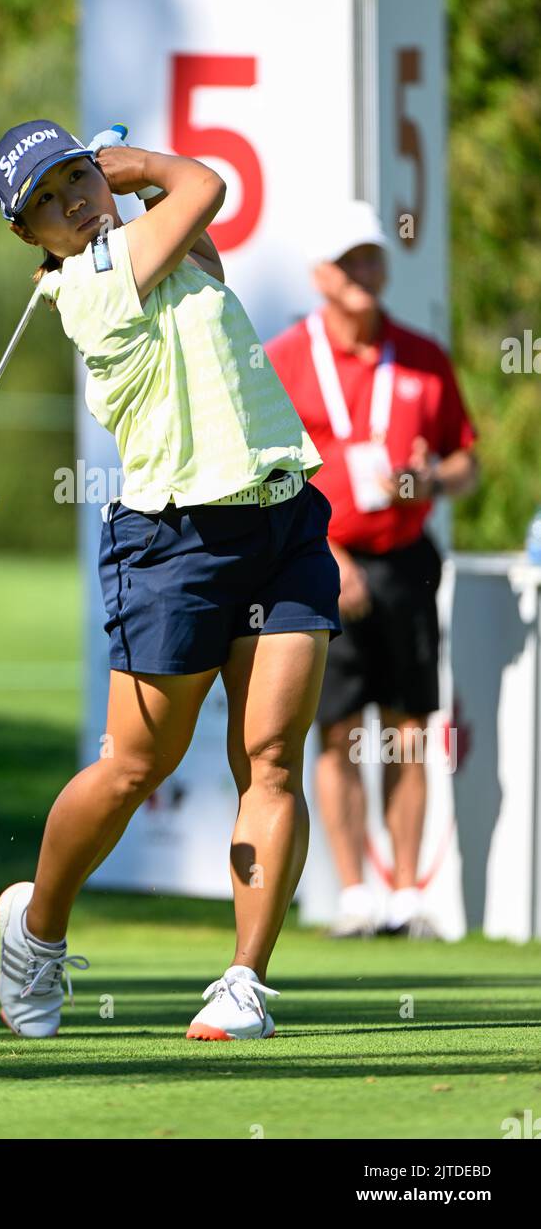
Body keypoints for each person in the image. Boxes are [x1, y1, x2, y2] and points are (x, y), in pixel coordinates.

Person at [0, 119, 341, 1040]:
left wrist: (132, 188)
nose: (73, 203)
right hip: (173, 544)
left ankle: (242, 982)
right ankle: (36, 930)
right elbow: (207, 185)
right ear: (32, 238)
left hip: (282, 517)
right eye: (49, 202)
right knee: (135, 765)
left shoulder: (161, 258)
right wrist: (138, 167)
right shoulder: (87, 286)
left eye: (78, 180)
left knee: (269, 759)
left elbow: (200, 240)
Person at [265, 201, 478, 940]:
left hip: (407, 563)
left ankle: (407, 893)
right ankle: (356, 891)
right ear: (320, 274)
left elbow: (465, 460)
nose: (363, 272)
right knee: (337, 732)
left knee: (409, 730)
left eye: (371, 258)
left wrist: (435, 483)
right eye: (348, 260)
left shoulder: (422, 356)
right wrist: (325, 553)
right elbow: (271, 476)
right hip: (323, 562)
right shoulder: (287, 357)